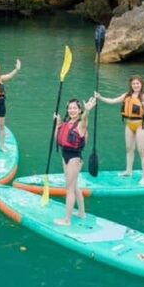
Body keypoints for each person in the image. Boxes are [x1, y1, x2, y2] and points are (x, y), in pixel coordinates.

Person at [95, 76, 144, 185]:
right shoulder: (126, 96)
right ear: (131, 85)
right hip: (129, 125)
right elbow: (113, 101)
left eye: (138, 83)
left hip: (139, 125)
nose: (136, 85)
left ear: (141, 84)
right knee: (129, 149)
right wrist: (100, 97)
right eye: (134, 83)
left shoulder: (143, 97)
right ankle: (128, 171)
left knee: (142, 151)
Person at [53, 97, 97, 226]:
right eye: (70, 108)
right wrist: (58, 124)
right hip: (65, 155)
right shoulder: (66, 123)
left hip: (74, 158)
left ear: (79, 111)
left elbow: (85, 119)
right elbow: (57, 138)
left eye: (75, 108)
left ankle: (66, 220)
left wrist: (87, 111)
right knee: (74, 185)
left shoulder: (81, 124)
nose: (72, 110)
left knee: (69, 189)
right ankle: (82, 213)